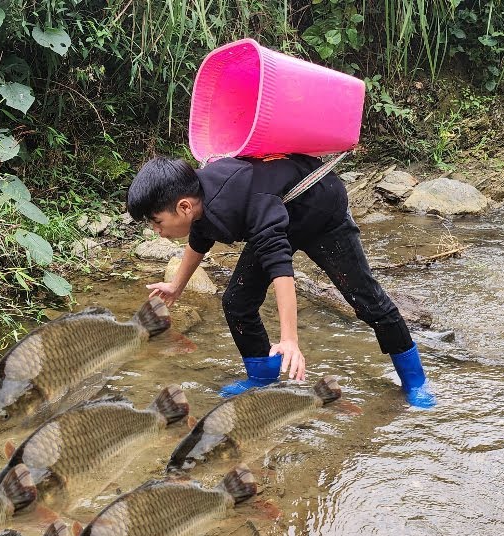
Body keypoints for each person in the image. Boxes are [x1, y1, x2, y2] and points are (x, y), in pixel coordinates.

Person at [127, 154, 435, 407]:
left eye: (157, 222)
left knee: (367, 301)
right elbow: (201, 237)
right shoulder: (200, 200)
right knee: (236, 302)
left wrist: (290, 339)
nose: (157, 230)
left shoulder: (238, 203)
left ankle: (415, 382)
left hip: (320, 212)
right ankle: (262, 379)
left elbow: (280, 268)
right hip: (279, 216)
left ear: (183, 207)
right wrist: (177, 286)